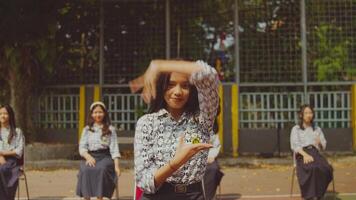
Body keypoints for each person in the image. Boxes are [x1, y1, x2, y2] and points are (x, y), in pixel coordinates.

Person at [134, 59, 220, 200]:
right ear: (161, 87)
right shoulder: (147, 123)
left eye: (185, 86)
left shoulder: (203, 120)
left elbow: (211, 76)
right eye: (170, 85)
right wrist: (176, 163)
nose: (178, 92)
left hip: (193, 195)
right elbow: (143, 181)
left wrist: (160, 66)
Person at [76, 101, 121, 200]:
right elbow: (82, 147)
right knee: (85, 169)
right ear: (92, 114)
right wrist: (88, 157)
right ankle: (86, 198)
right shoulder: (87, 129)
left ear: (104, 113)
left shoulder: (110, 129)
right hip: (90, 156)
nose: (98, 114)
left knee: (101, 169)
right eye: (95, 112)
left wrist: (117, 166)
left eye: (100, 112)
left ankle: (99, 198)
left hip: (105, 157)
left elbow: (114, 149)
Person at [290, 104, 333, 200]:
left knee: (327, 168)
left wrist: (320, 143)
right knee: (312, 168)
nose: (309, 115)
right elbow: (295, 146)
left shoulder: (317, 129)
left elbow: (323, 145)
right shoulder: (296, 129)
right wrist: (305, 155)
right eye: (306, 113)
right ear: (301, 115)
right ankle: (308, 196)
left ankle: (319, 194)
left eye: (310, 113)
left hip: (315, 153)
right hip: (301, 153)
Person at [0, 104, 25, 200]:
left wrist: (3, 154)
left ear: (10, 115)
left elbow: (19, 151)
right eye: (0, 113)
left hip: (13, 161)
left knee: (3, 170)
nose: (2, 116)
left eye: (5, 113)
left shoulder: (17, 132)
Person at [203, 117, 224, 200]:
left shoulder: (213, 131)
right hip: (193, 158)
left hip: (210, 157)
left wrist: (211, 156)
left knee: (213, 169)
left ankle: (209, 197)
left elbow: (216, 146)